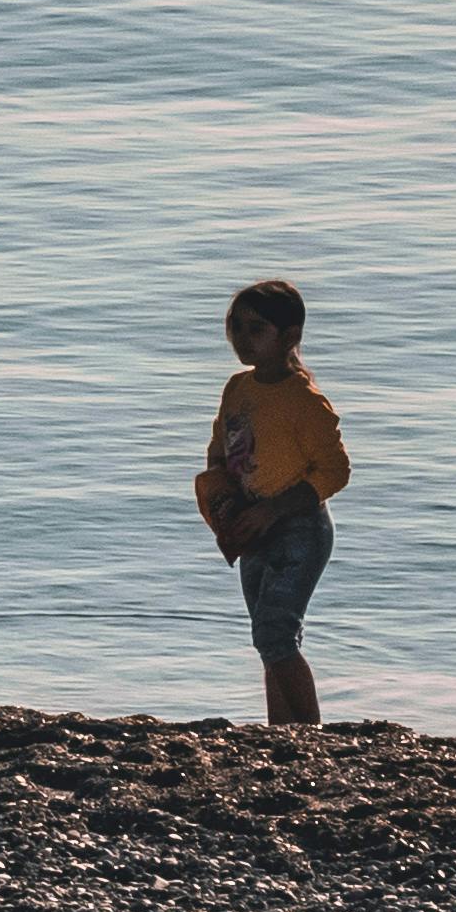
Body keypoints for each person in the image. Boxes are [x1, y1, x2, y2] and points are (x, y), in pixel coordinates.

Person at [196, 276, 349, 728]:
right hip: (251, 524)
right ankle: (281, 733)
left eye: (256, 329)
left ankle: (312, 734)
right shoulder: (238, 388)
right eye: (236, 327)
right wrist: (224, 501)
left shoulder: (304, 401)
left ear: (290, 337)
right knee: (268, 638)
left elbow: (335, 471)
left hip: (299, 526)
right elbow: (220, 446)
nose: (242, 338)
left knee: (275, 632)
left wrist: (273, 509)